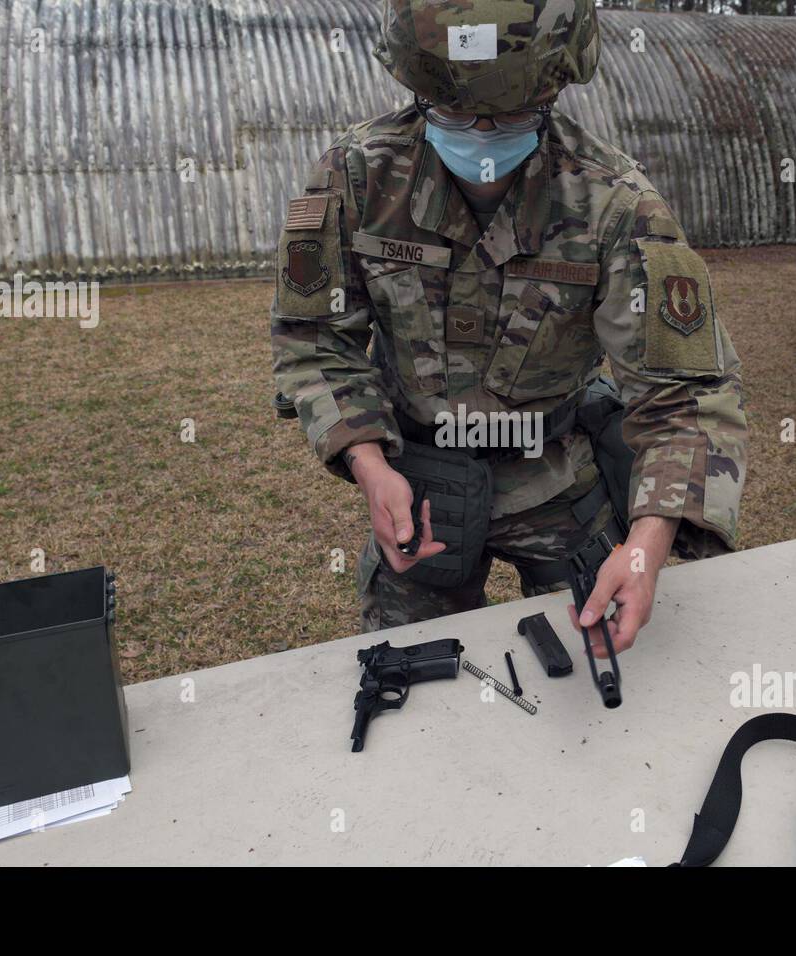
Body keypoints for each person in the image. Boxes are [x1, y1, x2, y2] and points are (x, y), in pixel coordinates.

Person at [271, 0, 747, 655]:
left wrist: (645, 547)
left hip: (558, 482)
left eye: (515, 116)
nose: (484, 134)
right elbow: (315, 338)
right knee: (416, 683)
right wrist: (369, 464)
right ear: (419, 89)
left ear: (554, 90)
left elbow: (686, 395)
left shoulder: (612, 202)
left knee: (590, 674)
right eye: (455, 114)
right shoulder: (356, 177)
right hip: (419, 483)